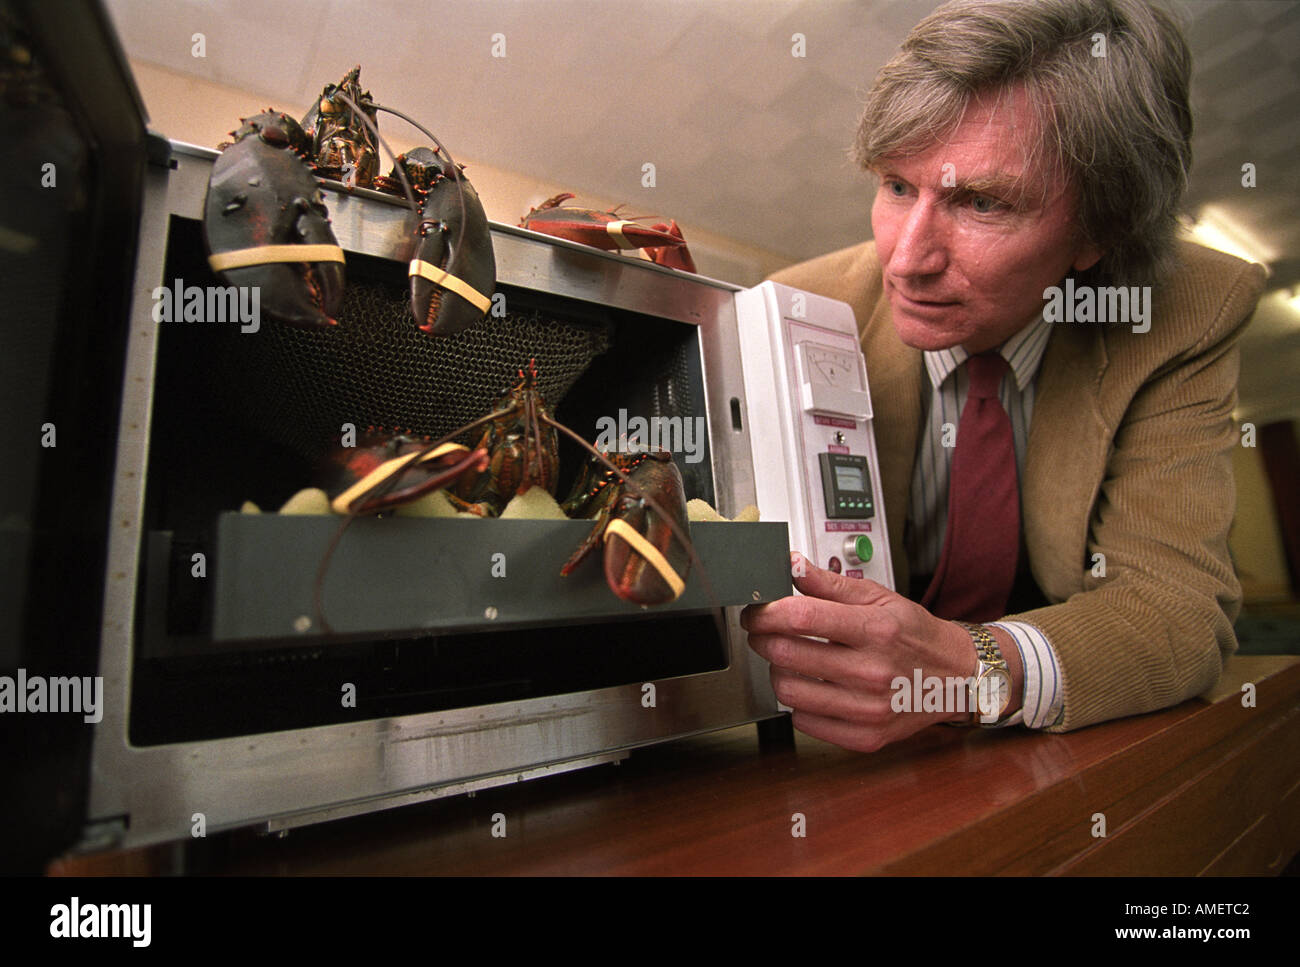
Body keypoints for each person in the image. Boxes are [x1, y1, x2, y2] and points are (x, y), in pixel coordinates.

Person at [741, 0, 1267, 751]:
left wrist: (967, 669)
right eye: (895, 185)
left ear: (1097, 231)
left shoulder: (1185, 312)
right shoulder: (798, 310)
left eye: (981, 202)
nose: (907, 259)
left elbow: (1175, 610)